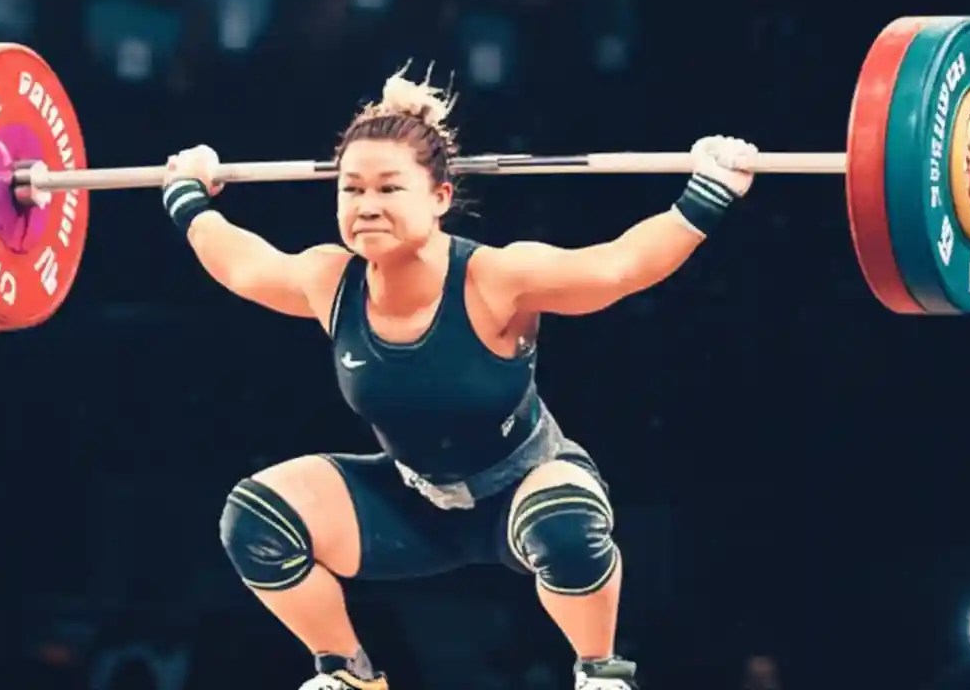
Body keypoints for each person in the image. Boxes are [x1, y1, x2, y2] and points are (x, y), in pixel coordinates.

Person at [159, 63, 757, 690]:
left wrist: (709, 189)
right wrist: (187, 194)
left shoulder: (496, 279)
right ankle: (350, 673)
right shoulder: (330, 279)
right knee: (256, 518)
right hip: (411, 503)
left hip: (521, 491)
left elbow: (617, 268)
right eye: (351, 189)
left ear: (440, 197)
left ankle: (600, 673)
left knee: (566, 519)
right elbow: (243, 266)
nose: (366, 206)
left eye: (389, 189)